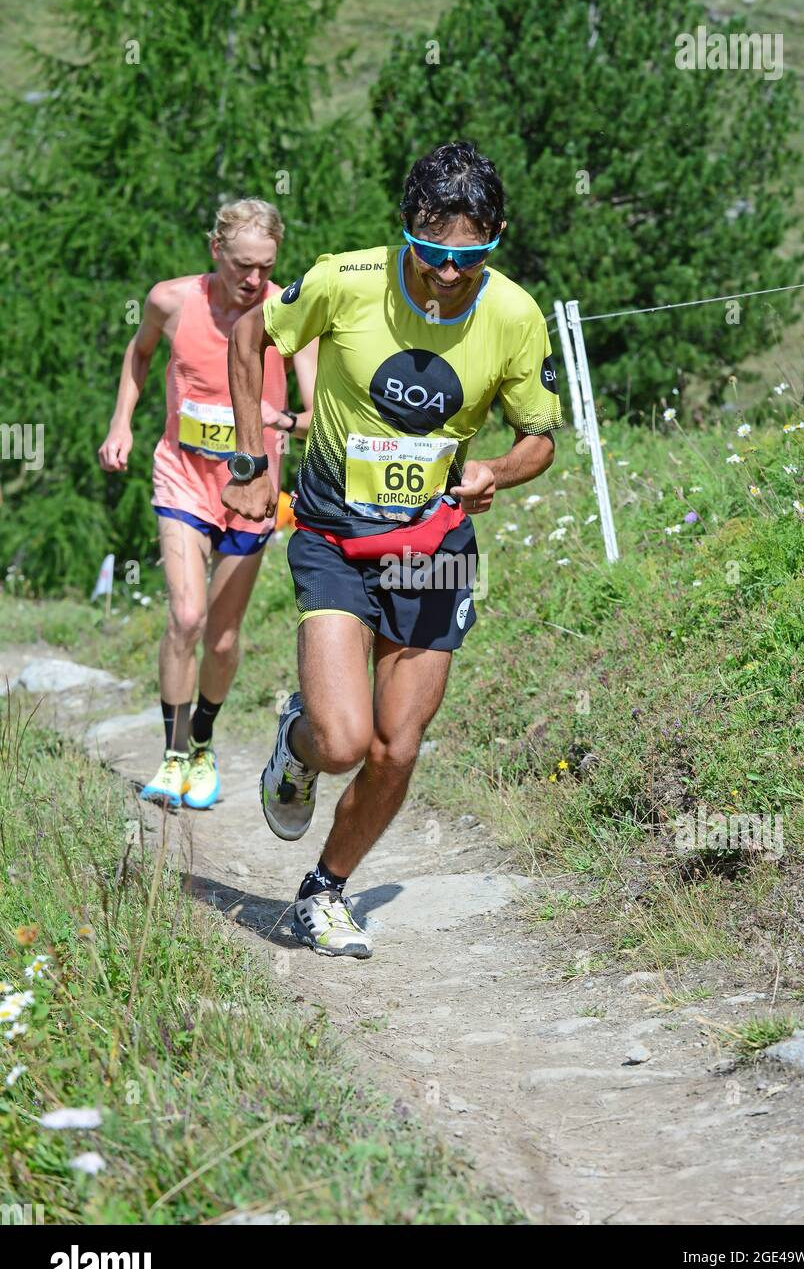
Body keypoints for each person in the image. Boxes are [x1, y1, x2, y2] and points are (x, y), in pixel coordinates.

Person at [221, 143, 561, 956]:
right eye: (434, 253)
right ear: (406, 230)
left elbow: (538, 438)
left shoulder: (512, 312)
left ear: (496, 237)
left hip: (433, 546)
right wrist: (248, 463)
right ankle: (297, 743)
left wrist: (495, 472)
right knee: (343, 741)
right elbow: (247, 336)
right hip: (336, 535)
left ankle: (324, 891)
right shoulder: (345, 280)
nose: (449, 273)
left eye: (470, 256)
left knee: (395, 746)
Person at [98, 198, 317, 809]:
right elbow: (138, 355)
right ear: (215, 250)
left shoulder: (289, 314)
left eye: (265, 266)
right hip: (183, 477)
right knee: (187, 617)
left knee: (221, 639)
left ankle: (201, 743)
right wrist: (123, 425)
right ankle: (171, 758)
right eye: (242, 265)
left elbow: (322, 413)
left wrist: (282, 420)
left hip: (251, 492)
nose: (253, 280)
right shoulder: (171, 301)